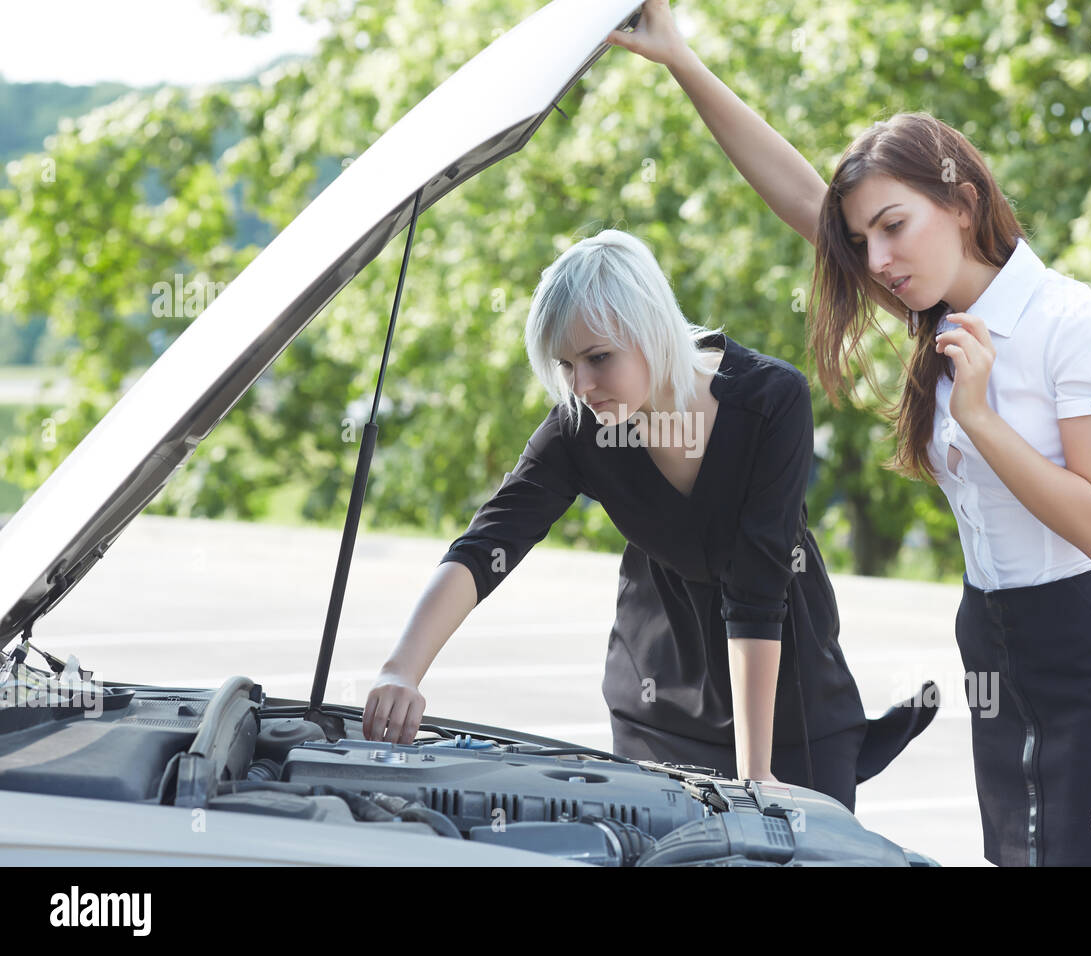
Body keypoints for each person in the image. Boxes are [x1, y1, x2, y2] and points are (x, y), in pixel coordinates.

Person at [606, 0, 1091, 866]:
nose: (876, 260)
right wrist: (685, 64)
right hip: (993, 644)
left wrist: (982, 419)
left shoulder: (1079, 321)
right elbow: (805, 198)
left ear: (960, 202)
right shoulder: (941, 317)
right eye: (862, 240)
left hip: (1090, 652)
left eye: (894, 227)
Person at [362, 228, 936, 812]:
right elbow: (489, 543)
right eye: (565, 365)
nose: (581, 385)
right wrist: (400, 670)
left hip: (789, 697)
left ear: (650, 330)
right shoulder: (579, 428)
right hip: (659, 701)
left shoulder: (770, 399)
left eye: (598, 358)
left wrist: (755, 772)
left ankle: (859, 741)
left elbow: (758, 588)